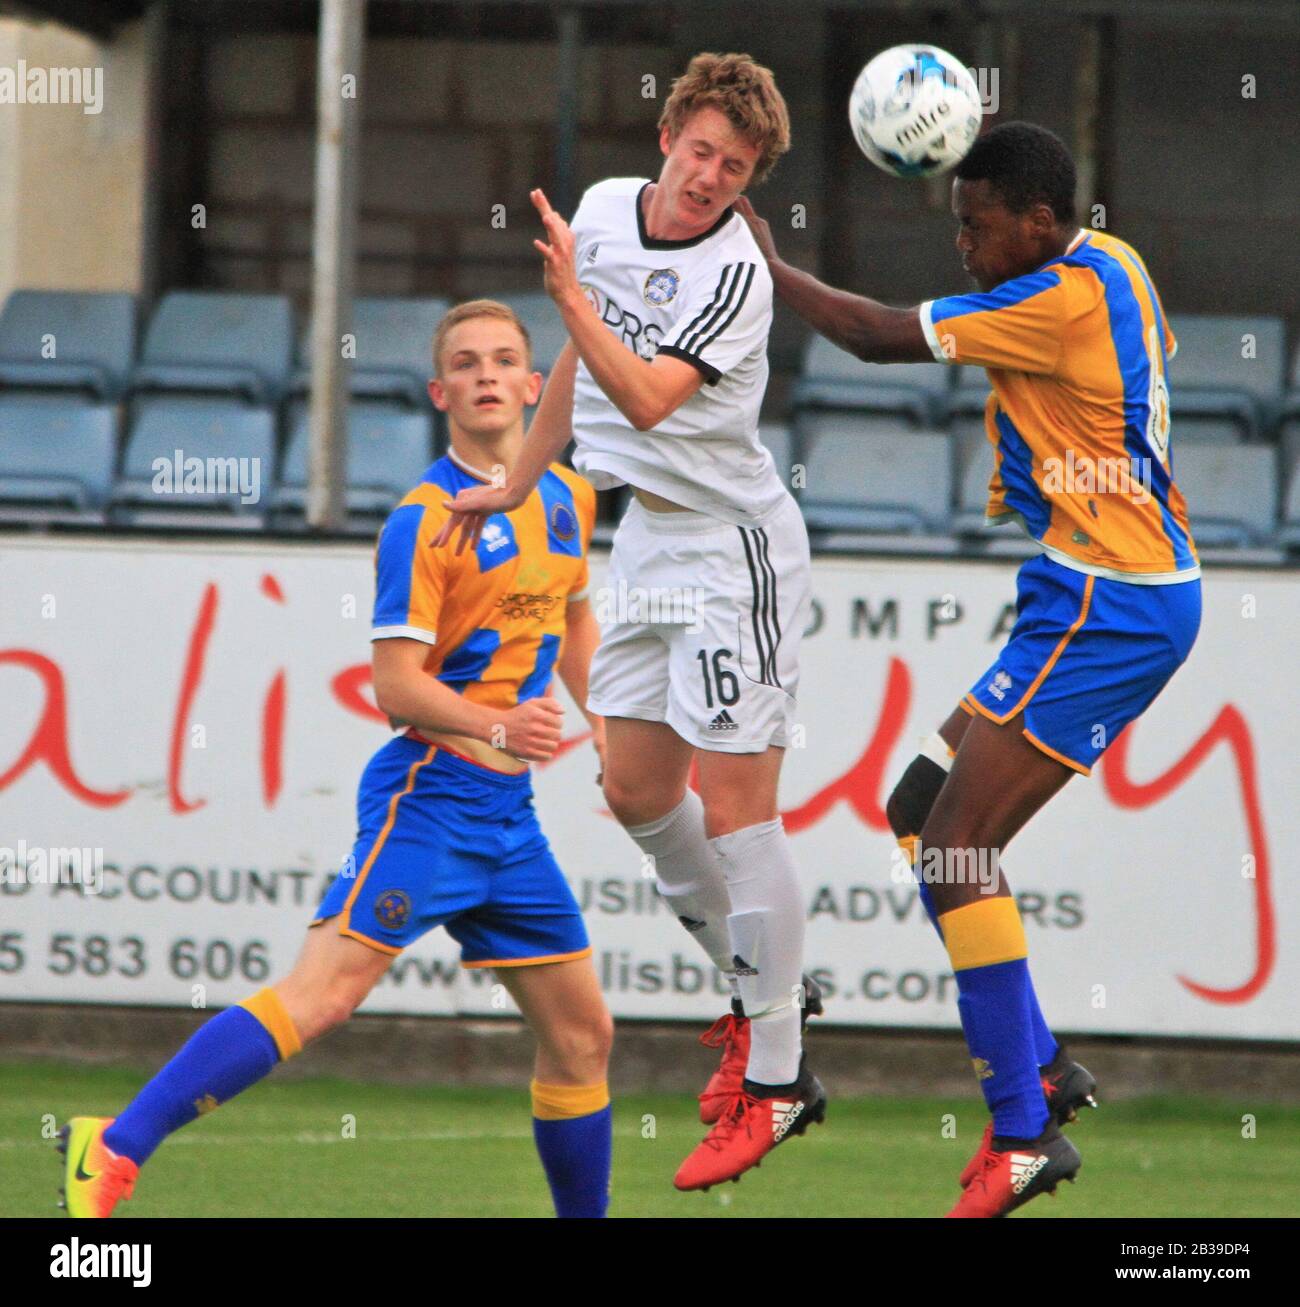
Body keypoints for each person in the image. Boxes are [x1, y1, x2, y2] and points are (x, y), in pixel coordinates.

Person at [58, 299, 614, 1219]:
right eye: (466, 362)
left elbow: (576, 615)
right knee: (321, 997)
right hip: (431, 794)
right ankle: (113, 1144)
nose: (486, 373)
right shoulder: (423, 521)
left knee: (584, 1035)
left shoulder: (567, 496)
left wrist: (609, 730)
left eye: (505, 359)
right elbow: (394, 685)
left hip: (508, 819)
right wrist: (501, 725)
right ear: (440, 392)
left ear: (532, 385)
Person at [738, 120, 1199, 1217]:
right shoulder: (1106, 260)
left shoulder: (1057, 296)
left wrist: (766, 263)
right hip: (1084, 587)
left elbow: (872, 335)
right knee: (919, 810)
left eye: (976, 226)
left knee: (955, 850)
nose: (963, 245)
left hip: (1111, 600)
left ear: (1039, 223)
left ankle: (1021, 1130)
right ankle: (1040, 1066)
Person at [437, 53, 825, 1193]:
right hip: (647, 537)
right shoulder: (606, 212)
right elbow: (577, 371)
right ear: (668, 137)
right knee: (636, 791)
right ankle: (761, 997)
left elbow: (649, 393)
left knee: (738, 806)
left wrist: (567, 301)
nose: (710, 177)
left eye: (735, 166)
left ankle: (780, 1076)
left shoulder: (734, 268)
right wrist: (517, 482)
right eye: (700, 150)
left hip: (729, 546)